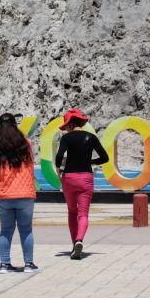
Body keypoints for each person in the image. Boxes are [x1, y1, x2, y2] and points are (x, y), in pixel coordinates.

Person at [54, 108, 109, 260]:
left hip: (69, 178)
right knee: (83, 214)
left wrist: (58, 170)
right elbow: (105, 158)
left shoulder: (66, 138)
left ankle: (74, 245)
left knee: (72, 212)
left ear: (70, 124)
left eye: (66, 126)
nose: (66, 129)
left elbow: (59, 155)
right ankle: (79, 240)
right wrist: (90, 161)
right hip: (85, 177)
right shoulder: (91, 137)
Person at [0, 113, 37, 273]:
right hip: (25, 193)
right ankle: (28, 264)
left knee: (6, 230)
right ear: (16, 125)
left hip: (3, 193)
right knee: (26, 229)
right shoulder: (27, 143)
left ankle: (4, 264)